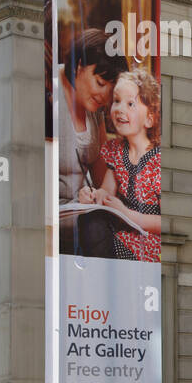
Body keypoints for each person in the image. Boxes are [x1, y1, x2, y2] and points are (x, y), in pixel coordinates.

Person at [78, 70, 161, 262]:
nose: (119, 109)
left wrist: (126, 213)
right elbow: (106, 192)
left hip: (147, 243)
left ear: (150, 118)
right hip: (119, 234)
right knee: (90, 220)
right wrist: (93, 195)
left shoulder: (158, 160)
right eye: (116, 101)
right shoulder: (115, 150)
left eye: (130, 104)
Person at [56, 28, 124, 257]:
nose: (105, 97)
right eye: (100, 82)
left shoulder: (94, 109)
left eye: (111, 89)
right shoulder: (48, 94)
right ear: (78, 66)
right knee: (97, 227)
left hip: (82, 214)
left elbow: (100, 175)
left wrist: (96, 194)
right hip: (50, 216)